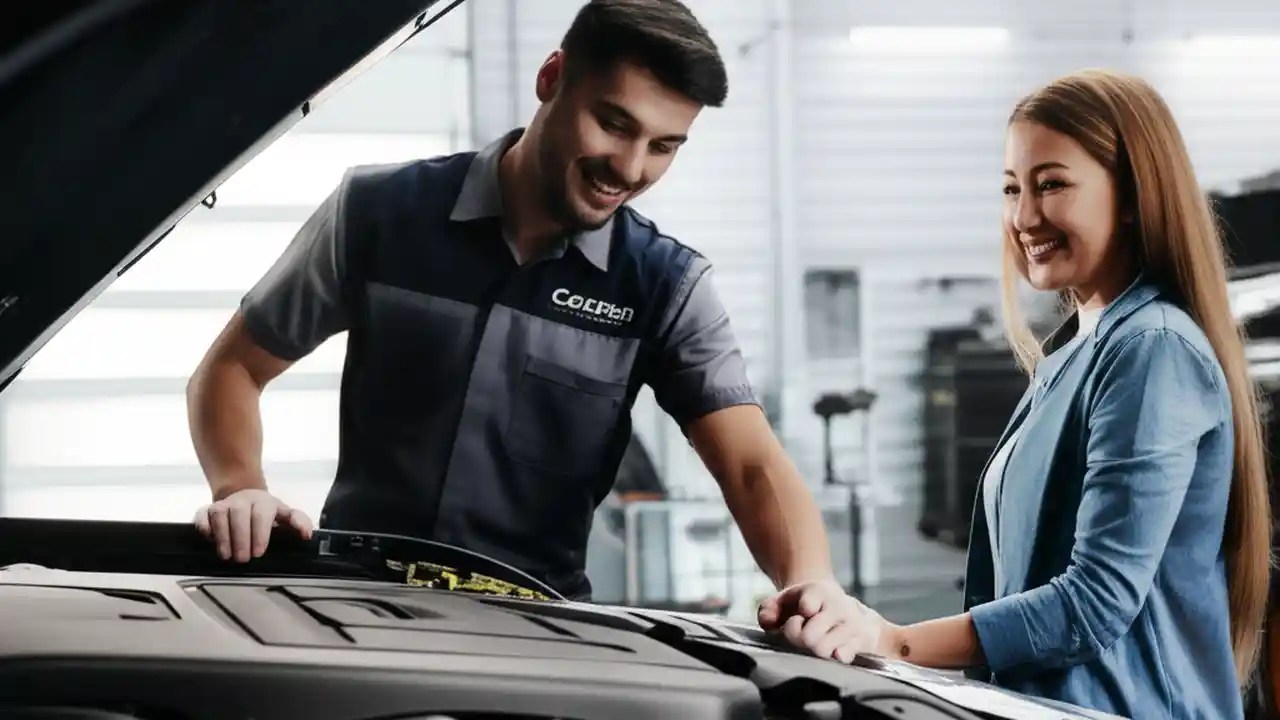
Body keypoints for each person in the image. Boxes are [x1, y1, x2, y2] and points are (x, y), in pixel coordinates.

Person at [186, 0, 845, 606]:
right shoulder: (377, 214)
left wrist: (814, 584)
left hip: (535, 637)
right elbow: (233, 369)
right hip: (359, 607)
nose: (631, 167)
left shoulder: (665, 287)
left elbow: (753, 466)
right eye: (615, 124)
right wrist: (240, 484)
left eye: (664, 146)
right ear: (552, 77)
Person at [759, 69, 1272, 718]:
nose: (1023, 217)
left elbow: (1093, 603)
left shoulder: (1153, 348)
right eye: (1011, 189)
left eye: (1051, 184)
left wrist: (892, 641)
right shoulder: (1076, 351)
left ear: (1136, 193)